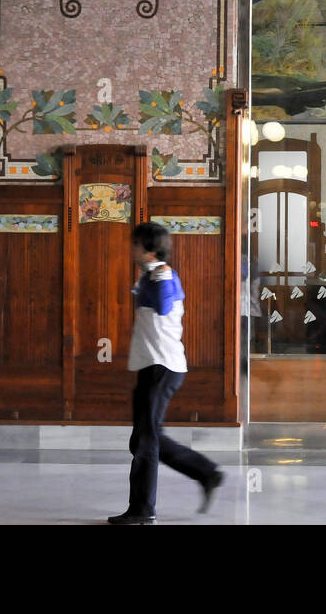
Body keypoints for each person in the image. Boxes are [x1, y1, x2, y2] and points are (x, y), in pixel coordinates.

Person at [108, 222, 224, 524]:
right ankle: (206, 472)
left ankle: (143, 511)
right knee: (145, 439)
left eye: (135, 244)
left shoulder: (163, 275)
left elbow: (162, 303)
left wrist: (152, 278)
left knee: (146, 441)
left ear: (149, 248)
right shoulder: (151, 276)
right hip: (154, 366)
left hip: (162, 366)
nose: (131, 249)